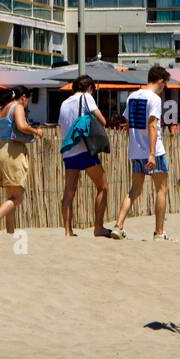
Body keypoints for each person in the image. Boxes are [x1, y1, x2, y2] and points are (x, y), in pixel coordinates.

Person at [104, 65, 171, 241]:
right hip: (153, 151)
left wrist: (135, 144)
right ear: (161, 81)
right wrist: (151, 153)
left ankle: (118, 226)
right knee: (162, 190)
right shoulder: (154, 99)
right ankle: (159, 232)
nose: (164, 89)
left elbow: (127, 123)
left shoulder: (132, 96)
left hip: (135, 151)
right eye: (165, 85)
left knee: (134, 190)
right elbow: (152, 125)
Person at [0, 86, 41, 235]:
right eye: (28, 100)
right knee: (18, 197)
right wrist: (36, 131)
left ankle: (10, 233)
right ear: (23, 97)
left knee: (10, 198)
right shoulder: (17, 107)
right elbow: (21, 126)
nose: (27, 104)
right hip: (13, 152)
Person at [58, 75, 112, 238]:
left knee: (69, 191)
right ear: (89, 88)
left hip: (69, 151)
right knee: (103, 186)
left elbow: (62, 127)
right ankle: (98, 228)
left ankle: (68, 231)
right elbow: (102, 120)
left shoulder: (64, 103)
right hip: (84, 149)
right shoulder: (86, 97)